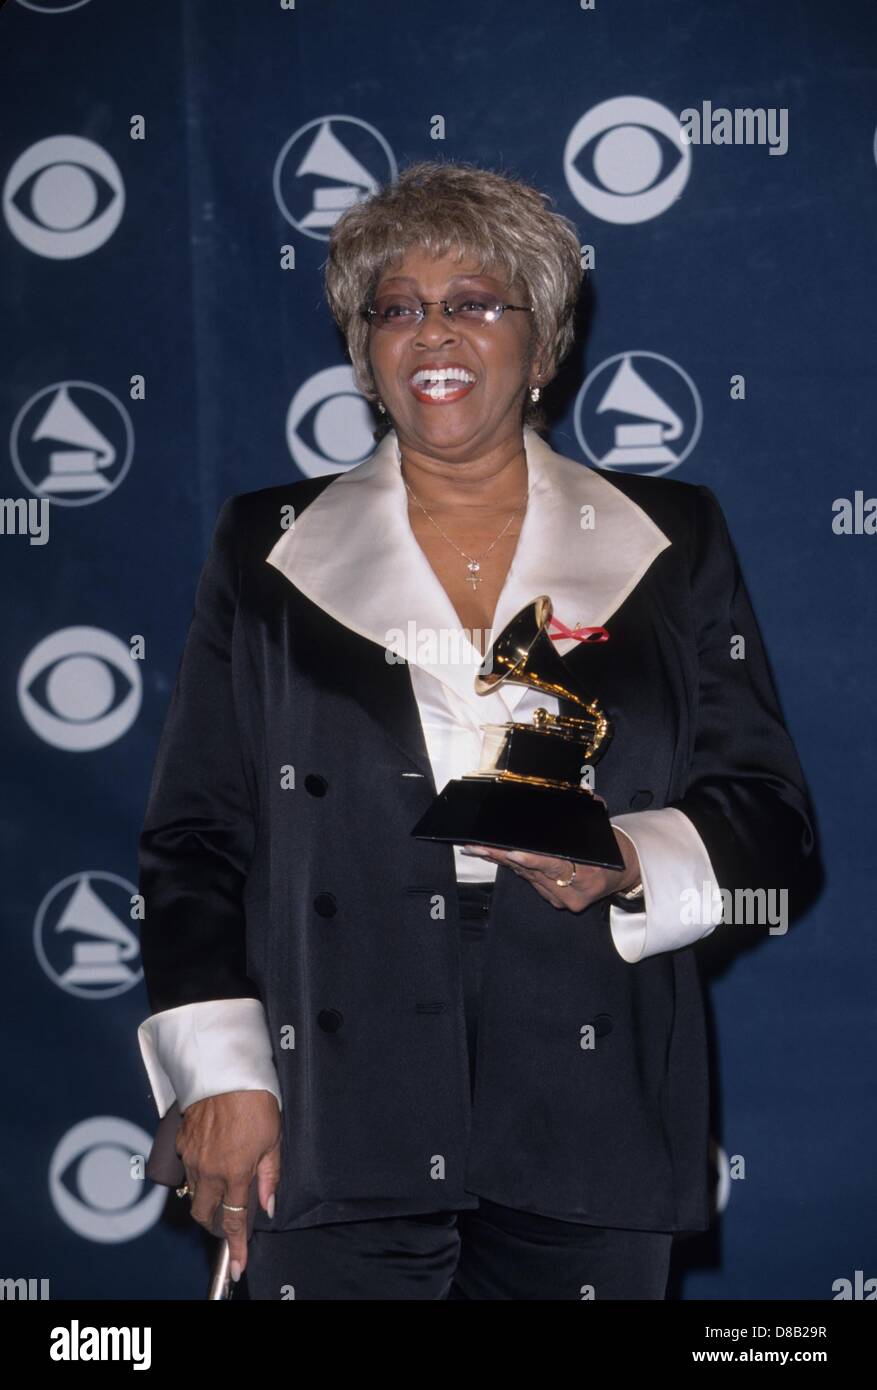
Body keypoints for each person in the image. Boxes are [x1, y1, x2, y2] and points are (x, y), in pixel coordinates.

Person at [136, 160, 817, 1300]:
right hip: (332, 1097)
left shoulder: (671, 536)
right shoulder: (267, 544)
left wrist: (623, 857)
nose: (430, 329)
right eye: (394, 307)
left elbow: (770, 823)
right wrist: (220, 1076)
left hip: (591, 1089)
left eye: (473, 301)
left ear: (542, 345)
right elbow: (196, 840)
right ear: (365, 354)